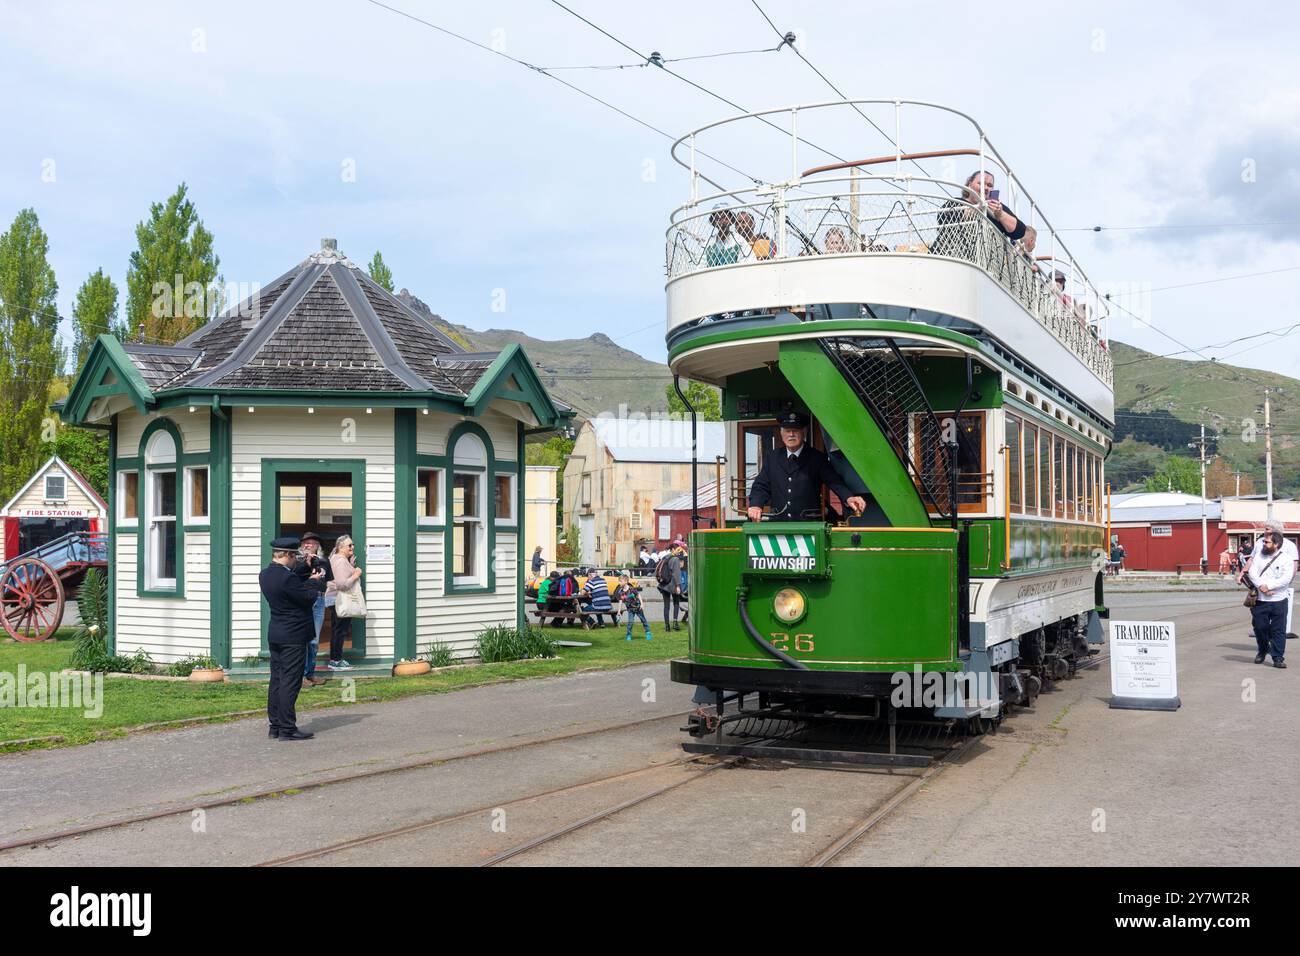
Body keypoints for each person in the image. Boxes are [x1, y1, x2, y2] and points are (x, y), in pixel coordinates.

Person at [260, 535, 327, 740]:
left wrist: (305, 570)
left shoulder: (266, 574)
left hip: (276, 633)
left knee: (277, 680)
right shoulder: (287, 578)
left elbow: (292, 582)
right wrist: (316, 582)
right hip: (293, 635)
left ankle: (276, 725)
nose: (295, 560)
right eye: (294, 556)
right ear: (288, 555)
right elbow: (305, 598)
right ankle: (288, 728)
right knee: (291, 681)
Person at [746, 410, 866, 522]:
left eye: (796, 430)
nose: (791, 434)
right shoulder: (772, 458)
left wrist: (849, 497)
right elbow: (761, 485)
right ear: (781, 433)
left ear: (804, 432)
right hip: (779, 525)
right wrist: (756, 505)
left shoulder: (817, 458)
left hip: (809, 526)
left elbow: (834, 481)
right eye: (787, 430)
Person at [932, 170, 1037, 260]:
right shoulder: (956, 203)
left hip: (988, 261)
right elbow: (943, 219)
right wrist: (980, 207)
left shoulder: (997, 208)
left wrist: (1000, 215)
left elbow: (1019, 231)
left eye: (990, 186)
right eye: (981, 183)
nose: (986, 188)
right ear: (969, 184)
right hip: (952, 254)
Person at [1239, 526, 1297, 668]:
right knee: (1260, 627)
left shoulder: (1286, 559)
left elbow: (1286, 578)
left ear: (1276, 544)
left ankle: (1278, 657)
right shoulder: (1259, 556)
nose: (1263, 544)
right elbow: (1252, 573)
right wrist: (1262, 587)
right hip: (1260, 600)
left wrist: (1269, 586)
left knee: (1279, 630)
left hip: (1279, 600)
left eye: (1267, 542)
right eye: (1264, 541)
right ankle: (1263, 650)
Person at [295, 532, 333, 688]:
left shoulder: (324, 561)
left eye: (311, 543)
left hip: (319, 599)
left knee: (314, 641)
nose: (308, 545)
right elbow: (293, 579)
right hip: (304, 600)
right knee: (303, 639)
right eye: (305, 543)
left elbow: (328, 579)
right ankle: (301, 675)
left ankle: (310, 674)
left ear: (318, 546)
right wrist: (306, 563)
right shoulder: (296, 561)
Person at [326, 535, 362, 670]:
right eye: (349, 545)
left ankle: (336, 659)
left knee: (337, 629)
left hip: (335, 598)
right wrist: (356, 574)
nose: (352, 547)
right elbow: (342, 584)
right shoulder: (340, 561)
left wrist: (350, 565)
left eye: (352, 545)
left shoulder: (337, 559)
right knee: (339, 630)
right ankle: (336, 660)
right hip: (339, 599)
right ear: (340, 547)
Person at [655, 546, 685, 632]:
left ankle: (667, 626)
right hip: (672, 585)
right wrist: (678, 586)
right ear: (673, 550)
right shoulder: (675, 559)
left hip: (664, 584)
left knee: (666, 606)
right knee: (676, 603)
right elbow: (676, 573)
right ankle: (675, 623)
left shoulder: (666, 557)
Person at [615, 573, 651, 640]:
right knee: (630, 622)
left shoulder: (632, 589)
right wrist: (619, 611)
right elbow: (620, 601)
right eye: (619, 581)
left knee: (643, 620)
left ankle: (648, 632)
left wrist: (642, 604)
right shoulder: (620, 592)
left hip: (638, 608)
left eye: (620, 581)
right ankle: (628, 635)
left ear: (626, 581)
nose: (619, 582)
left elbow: (638, 595)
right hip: (630, 610)